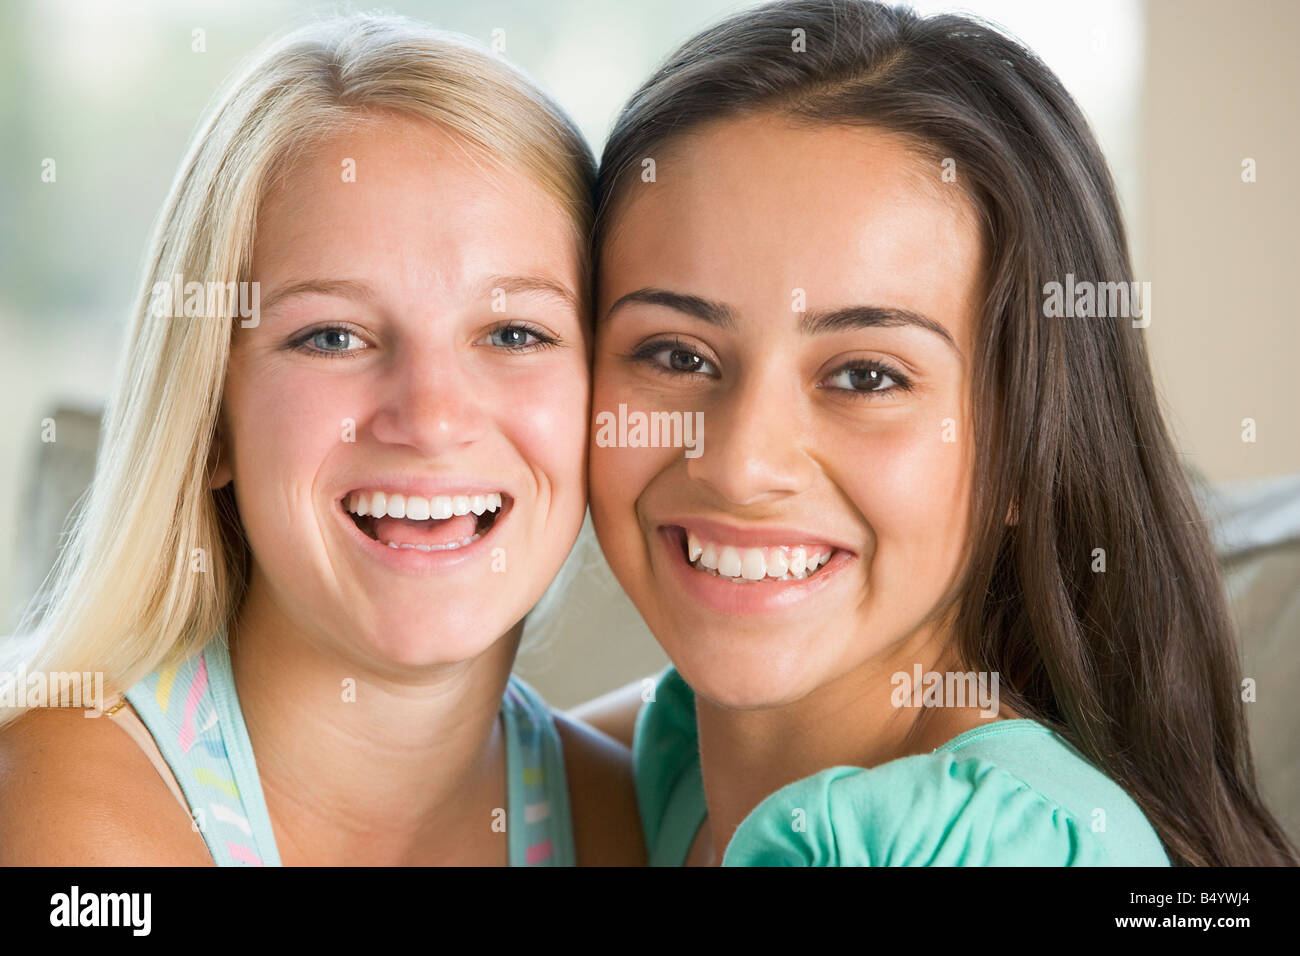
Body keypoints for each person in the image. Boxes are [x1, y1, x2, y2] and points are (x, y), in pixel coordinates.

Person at [577, 0, 1298, 866]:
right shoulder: (676, 752)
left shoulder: (989, 847)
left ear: (1030, 448)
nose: (739, 465)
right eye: (677, 354)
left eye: (866, 377)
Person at [0, 14, 642, 866]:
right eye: (332, 337)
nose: (432, 417)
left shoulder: (624, 819)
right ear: (210, 417)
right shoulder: (62, 813)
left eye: (516, 333)